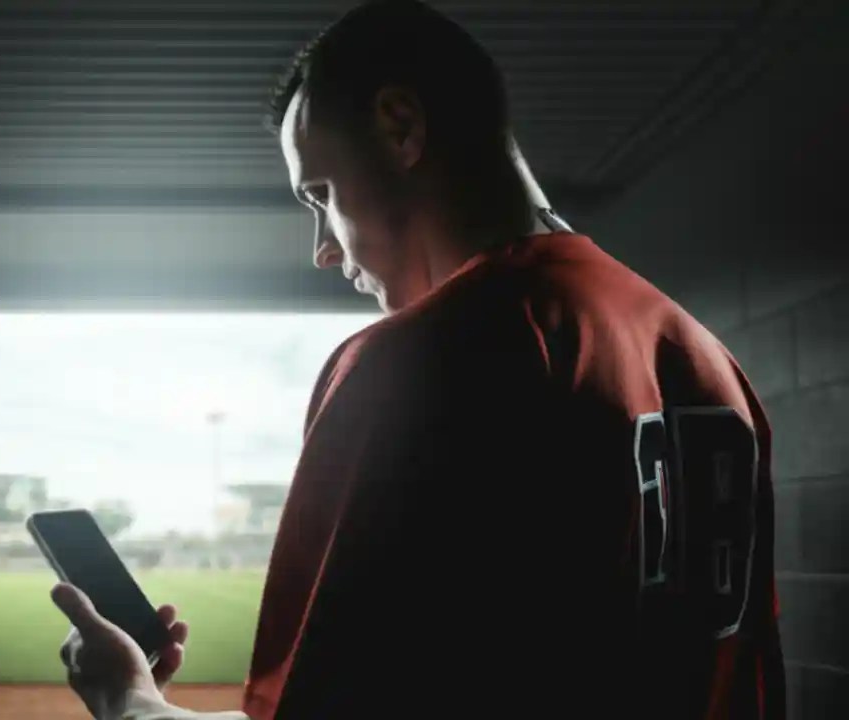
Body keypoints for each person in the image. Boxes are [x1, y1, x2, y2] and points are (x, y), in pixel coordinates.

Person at [49, 1, 786, 718]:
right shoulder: (711, 361)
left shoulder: (422, 356)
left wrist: (129, 702)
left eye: (320, 194)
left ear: (400, 127)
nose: (323, 249)